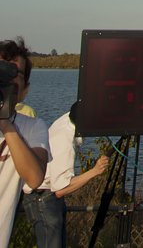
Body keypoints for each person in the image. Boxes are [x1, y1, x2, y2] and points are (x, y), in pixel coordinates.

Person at [24, 104, 109, 248]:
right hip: (44, 199)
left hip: (44, 196)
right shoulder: (65, 142)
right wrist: (95, 171)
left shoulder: (66, 121)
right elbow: (60, 189)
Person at [0, 38, 49, 248]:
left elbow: (35, 177)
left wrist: (5, 123)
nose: (5, 78)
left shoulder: (32, 128)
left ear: (25, 90)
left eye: (14, 73)